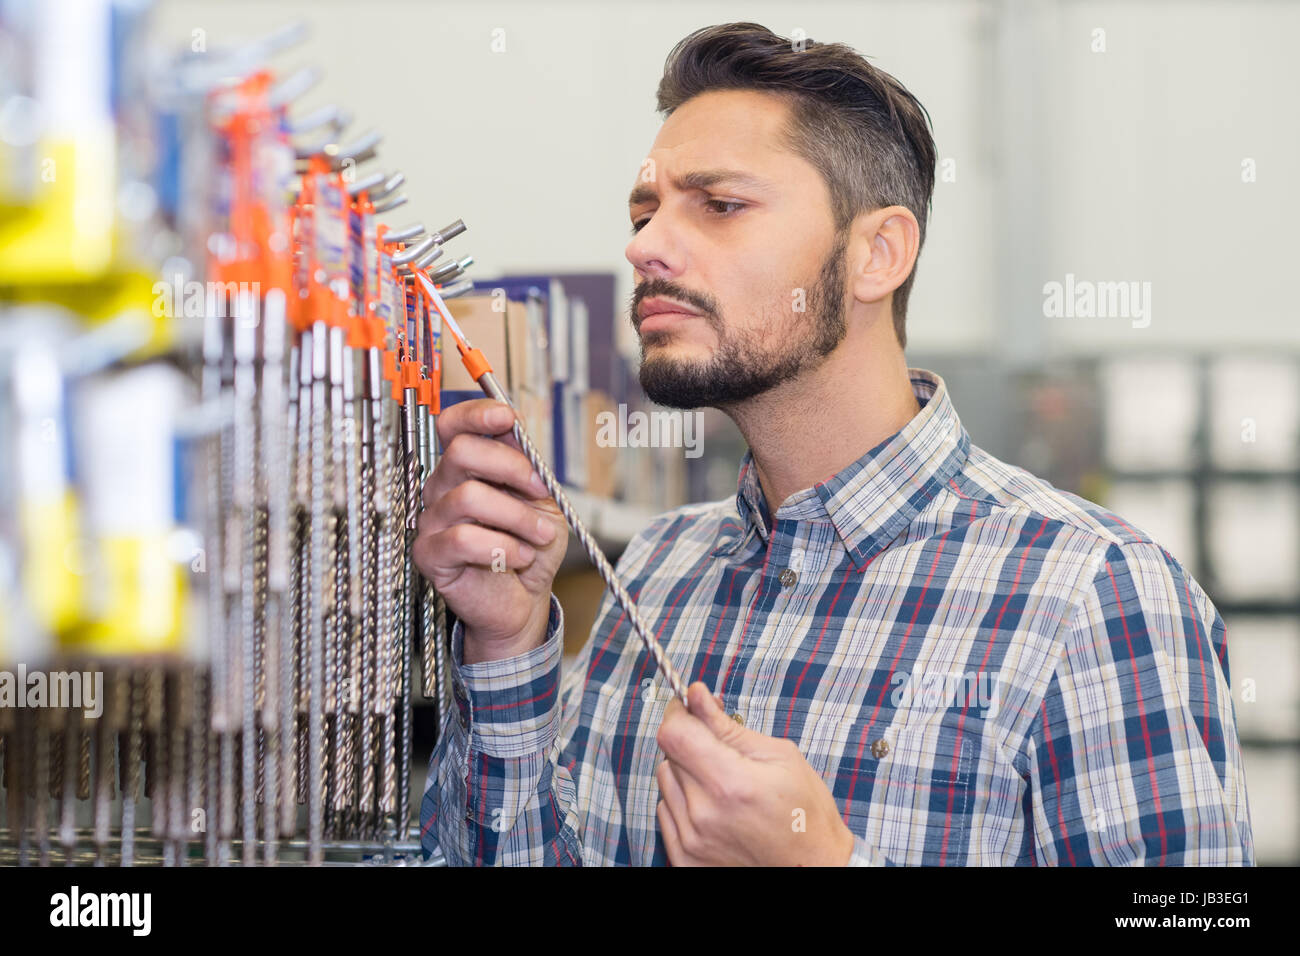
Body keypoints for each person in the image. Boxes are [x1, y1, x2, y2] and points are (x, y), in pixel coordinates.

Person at [414, 21, 1254, 865]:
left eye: (721, 205)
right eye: (646, 210)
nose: (645, 246)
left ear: (876, 254)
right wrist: (508, 646)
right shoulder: (660, 569)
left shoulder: (1093, 593)